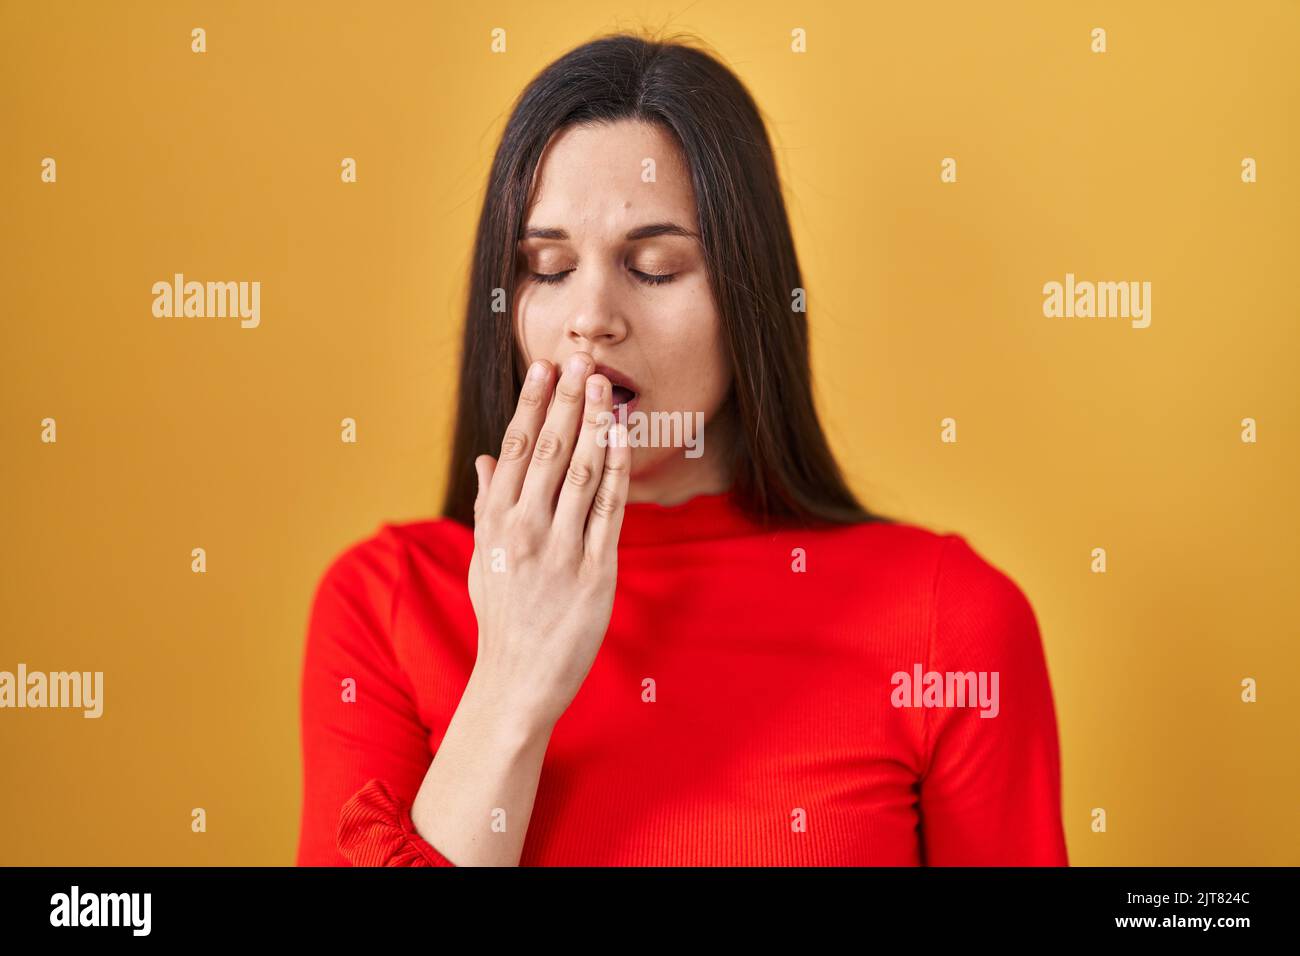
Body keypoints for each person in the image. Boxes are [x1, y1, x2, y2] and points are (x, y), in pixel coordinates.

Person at [296, 32, 1068, 867]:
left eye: (656, 267)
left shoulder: (948, 618)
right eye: (547, 267)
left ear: (752, 297)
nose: (592, 316)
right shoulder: (384, 604)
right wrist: (513, 681)